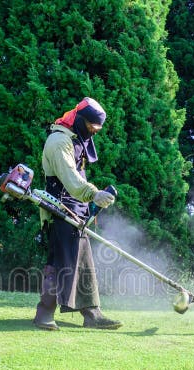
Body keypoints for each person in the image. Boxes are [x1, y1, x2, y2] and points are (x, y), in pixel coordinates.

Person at [33, 97, 123, 331]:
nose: (94, 132)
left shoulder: (75, 139)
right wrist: (93, 194)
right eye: (92, 127)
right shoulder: (58, 141)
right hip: (59, 208)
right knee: (61, 261)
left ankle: (92, 314)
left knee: (81, 260)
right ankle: (44, 314)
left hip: (76, 210)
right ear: (82, 120)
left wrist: (90, 201)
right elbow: (71, 180)